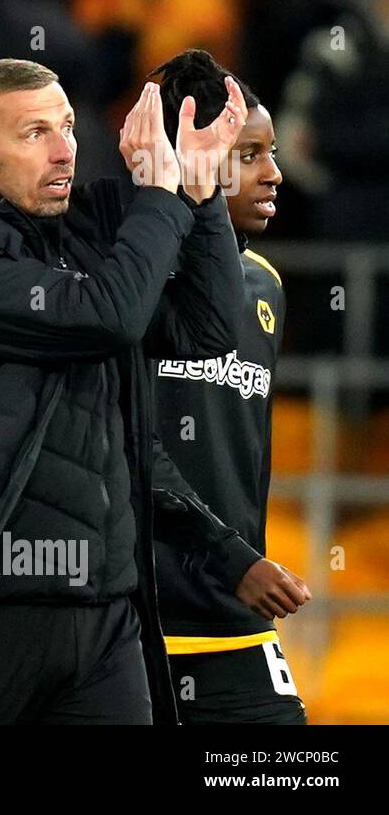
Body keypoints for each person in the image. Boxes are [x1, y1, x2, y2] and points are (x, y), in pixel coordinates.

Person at [0, 58, 251, 724]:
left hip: (103, 614)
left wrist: (199, 189)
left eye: (68, 126)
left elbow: (207, 328)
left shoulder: (79, 233)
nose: (63, 150)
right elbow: (108, 317)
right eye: (34, 133)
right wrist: (161, 198)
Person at [149, 49, 312, 724]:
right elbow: (126, 442)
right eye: (248, 155)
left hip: (233, 606)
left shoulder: (265, 284)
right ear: (191, 154)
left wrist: (239, 560)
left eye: (270, 153)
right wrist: (230, 556)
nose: (274, 173)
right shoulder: (131, 280)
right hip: (135, 613)